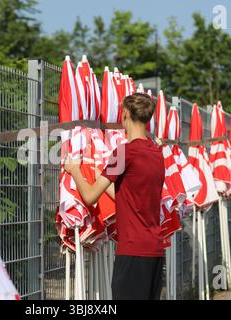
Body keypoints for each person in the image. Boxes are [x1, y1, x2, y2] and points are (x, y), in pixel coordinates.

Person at [64, 93, 165, 300]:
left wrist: (75, 171)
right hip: (155, 250)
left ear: (125, 113)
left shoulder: (124, 152)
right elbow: (128, 194)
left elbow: (90, 196)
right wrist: (102, 176)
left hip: (132, 251)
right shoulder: (156, 153)